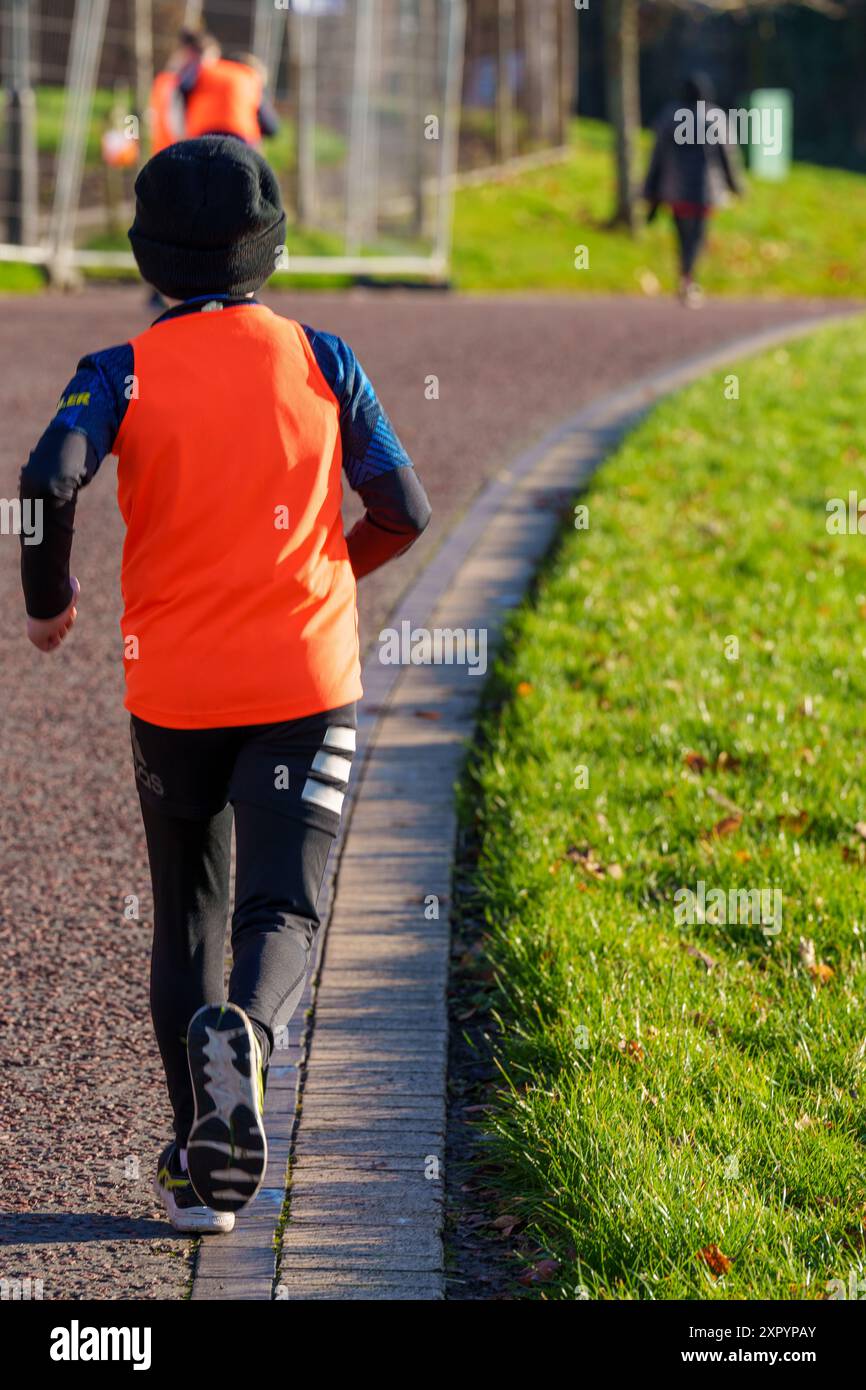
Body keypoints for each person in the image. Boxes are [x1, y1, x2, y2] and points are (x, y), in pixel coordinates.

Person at [18, 137, 432, 1234]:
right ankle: (248, 1033)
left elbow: (44, 476)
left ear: (147, 255)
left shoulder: (118, 370)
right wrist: (344, 562)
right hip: (304, 674)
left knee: (185, 912)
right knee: (283, 905)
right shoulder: (322, 356)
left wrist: (45, 596)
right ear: (275, 243)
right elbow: (406, 508)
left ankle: (202, 1178)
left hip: (174, 691)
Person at [643, 72, 742, 307]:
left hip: (674, 190)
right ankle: (689, 279)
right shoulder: (714, 117)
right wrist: (735, 185)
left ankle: (685, 277)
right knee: (697, 237)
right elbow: (727, 156)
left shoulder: (670, 116)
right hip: (703, 192)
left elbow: (657, 158)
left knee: (682, 237)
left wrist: (651, 192)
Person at [180, 43, 280, 146]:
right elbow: (272, 127)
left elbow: (183, 90)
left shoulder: (206, 71)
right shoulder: (250, 78)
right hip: (241, 137)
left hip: (200, 134)